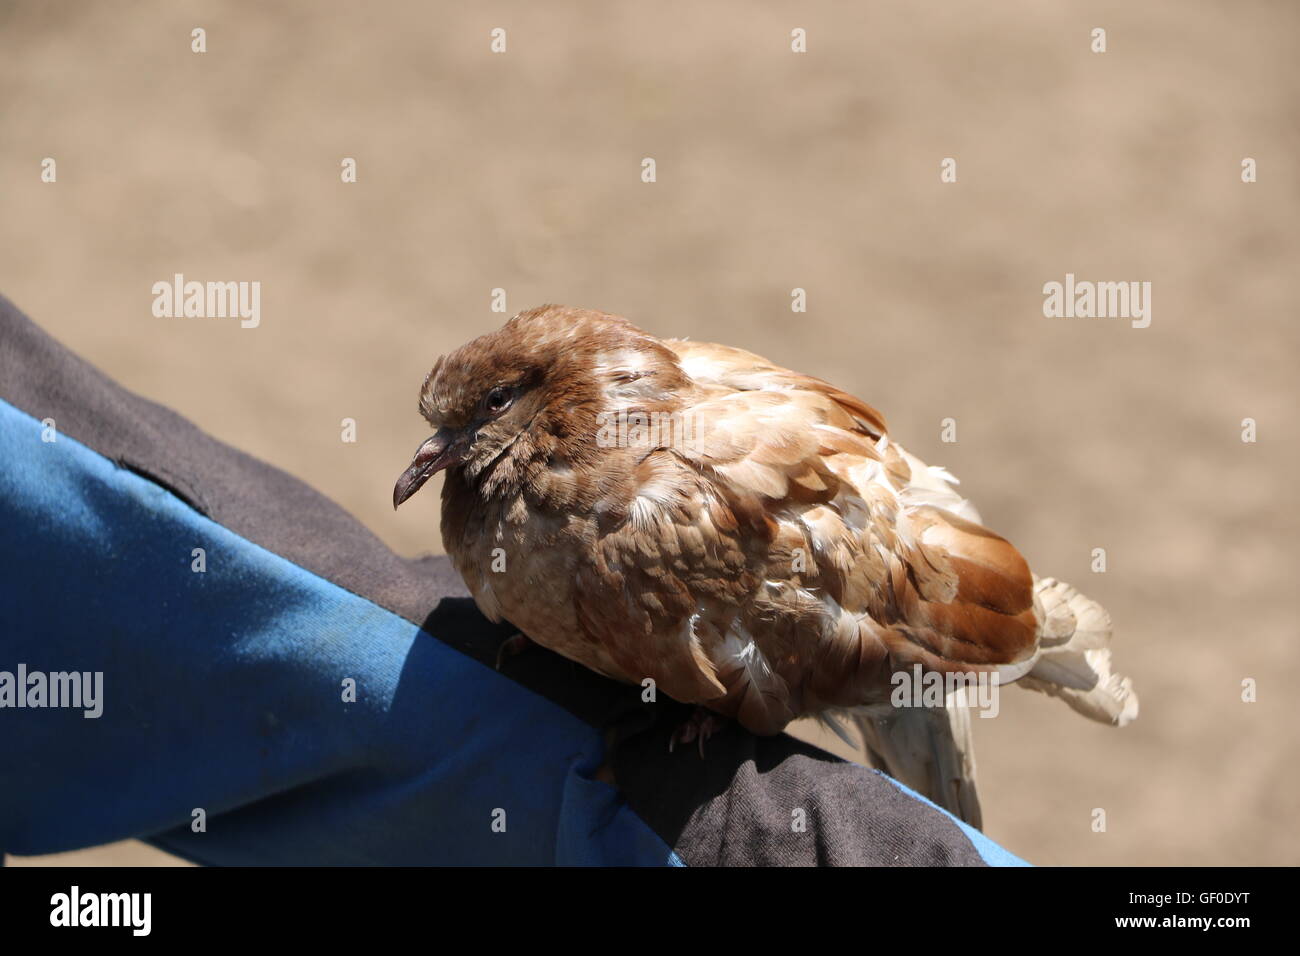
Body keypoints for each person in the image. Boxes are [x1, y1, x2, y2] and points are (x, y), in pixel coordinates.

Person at [0, 294, 1025, 866]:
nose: (439, 452)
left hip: (901, 629)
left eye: (472, 422)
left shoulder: (644, 521)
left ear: (542, 394)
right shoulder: (522, 510)